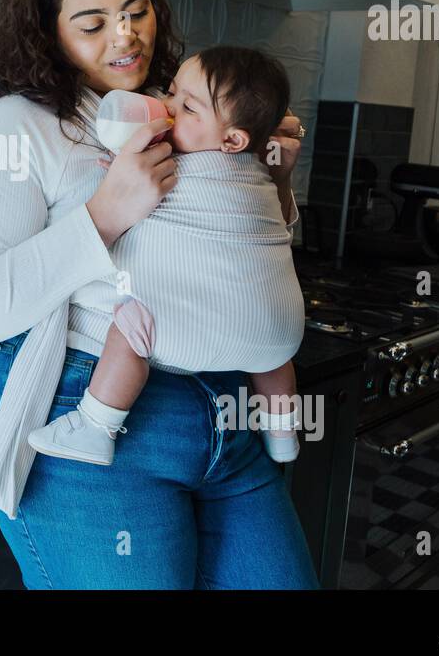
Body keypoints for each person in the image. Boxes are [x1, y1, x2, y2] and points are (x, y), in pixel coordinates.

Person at [0, 0, 319, 588]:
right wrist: (103, 215)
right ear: (47, 33)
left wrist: (276, 180)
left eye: (137, 10)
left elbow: (249, 254)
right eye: (92, 23)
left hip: (224, 412)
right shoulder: (17, 127)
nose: (127, 35)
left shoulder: (177, 107)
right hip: (88, 414)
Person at [27, 48, 305, 468]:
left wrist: (118, 168)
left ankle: (95, 426)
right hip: (281, 333)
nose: (168, 111)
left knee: (130, 327)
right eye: (171, 94)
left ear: (232, 140)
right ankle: (283, 434)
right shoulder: (262, 177)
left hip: (181, 340)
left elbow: (138, 196)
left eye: (186, 107)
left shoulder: (177, 167)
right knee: (272, 359)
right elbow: (274, 230)